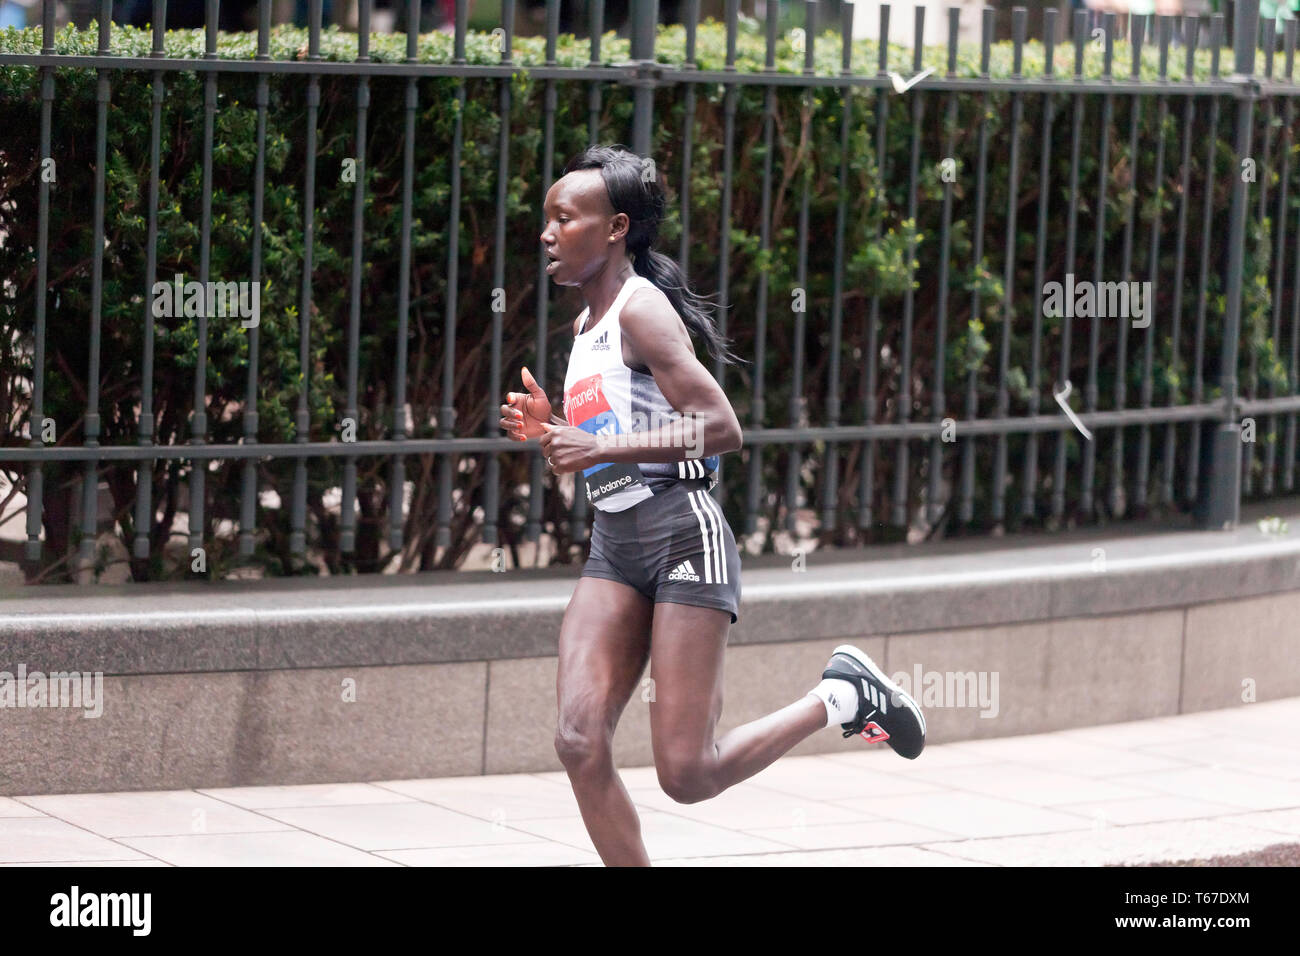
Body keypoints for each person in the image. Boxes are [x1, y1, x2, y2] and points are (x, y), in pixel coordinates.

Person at [499, 144, 926, 866]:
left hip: (681, 538)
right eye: (546, 217)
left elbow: (721, 428)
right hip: (615, 546)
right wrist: (553, 435)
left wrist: (597, 447)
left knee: (688, 774)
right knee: (577, 741)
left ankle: (843, 698)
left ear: (615, 229)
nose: (547, 232)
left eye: (564, 218)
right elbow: (603, 444)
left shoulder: (643, 312)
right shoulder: (583, 329)